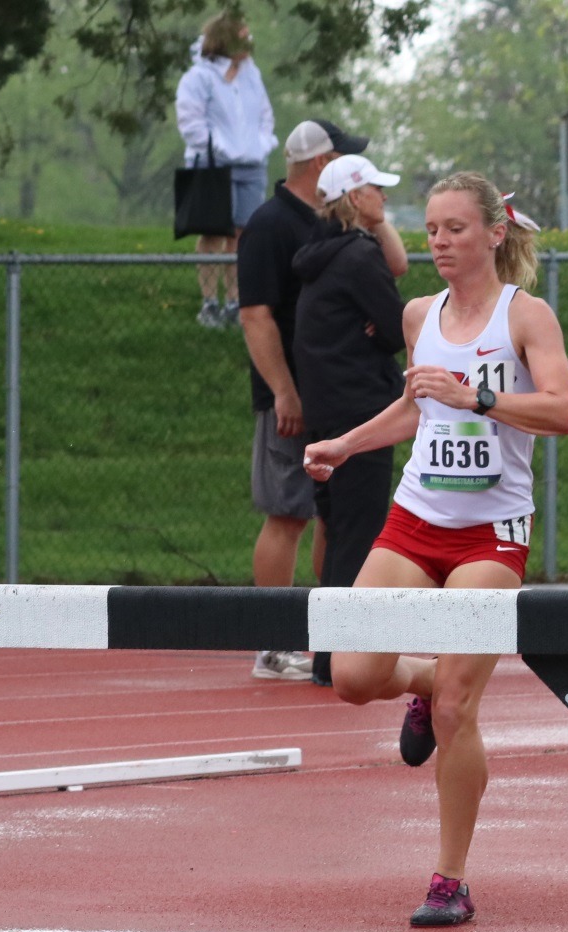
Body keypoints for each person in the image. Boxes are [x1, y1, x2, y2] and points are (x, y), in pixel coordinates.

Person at [303, 173, 568, 927]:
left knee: (460, 707)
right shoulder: (419, 314)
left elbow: (565, 410)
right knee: (352, 675)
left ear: (494, 232)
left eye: (455, 228)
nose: (439, 242)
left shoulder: (526, 316)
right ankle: (424, 679)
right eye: (431, 230)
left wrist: (480, 397)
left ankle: (449, 880)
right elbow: (413, 408)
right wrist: (344, 444)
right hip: (416, 518)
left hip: (492, 532)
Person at [236, 118, 377, 682]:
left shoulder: (326, 221)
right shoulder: (270, 224)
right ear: (322, 164)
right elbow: (255, 315)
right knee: (288, 513)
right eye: (344, 158)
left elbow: (391, 267)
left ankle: (327, 636)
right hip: (293, 396)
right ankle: (273, 645)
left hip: (331, 394)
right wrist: (283, 391)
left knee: (330, 516)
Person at [292, 155, 409, 685]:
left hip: (324, 410)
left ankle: (326, 655)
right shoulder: (360, 256)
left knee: (340, 532)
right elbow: (398, 328)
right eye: (376, 190)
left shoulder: (320, 254)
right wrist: (381, 329)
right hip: (361, 412)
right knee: (359, 534)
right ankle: (339, 659)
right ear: (356, 198)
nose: (384, 198)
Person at [175, 11, 275, 329]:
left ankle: (235, 302)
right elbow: (190, 122)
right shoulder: (199, 77)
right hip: (213, 165)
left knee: (244, 235)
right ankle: (209, 303)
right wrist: (220, 147)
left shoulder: (251, 75)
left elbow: (264, 115)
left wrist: (261, 144)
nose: (249, 44)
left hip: (252, 165)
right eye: (243, 38)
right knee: (213, 231)